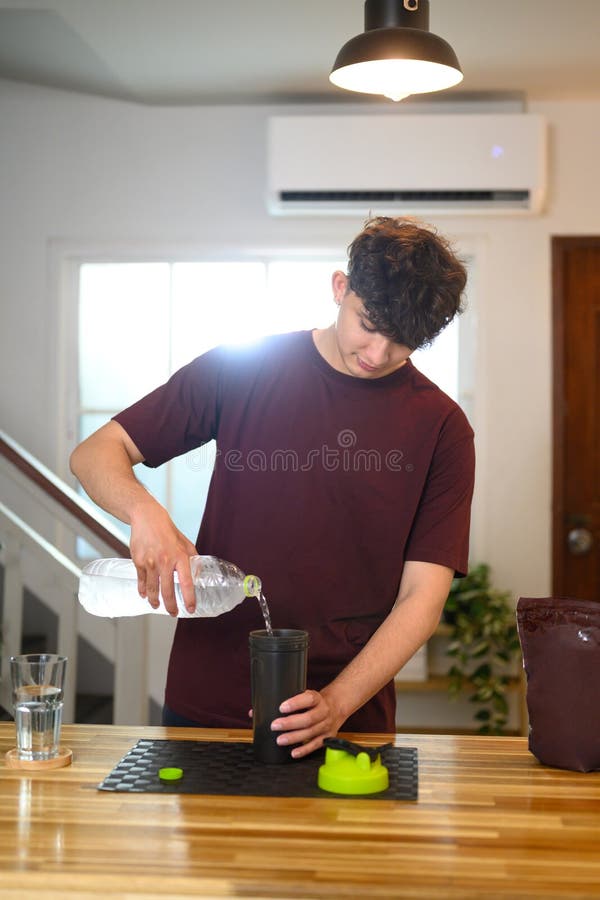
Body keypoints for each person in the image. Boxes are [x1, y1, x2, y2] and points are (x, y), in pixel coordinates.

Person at [70, 216, 475, 758]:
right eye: (369, 323)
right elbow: (94, 454)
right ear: (339, 287)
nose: (378, 354)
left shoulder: (443, 428)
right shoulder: (244, 368)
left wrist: (336, 702)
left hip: (350, 716)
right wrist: (146, 513)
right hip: (209, 702)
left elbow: (421, 599)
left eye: (404, 342)